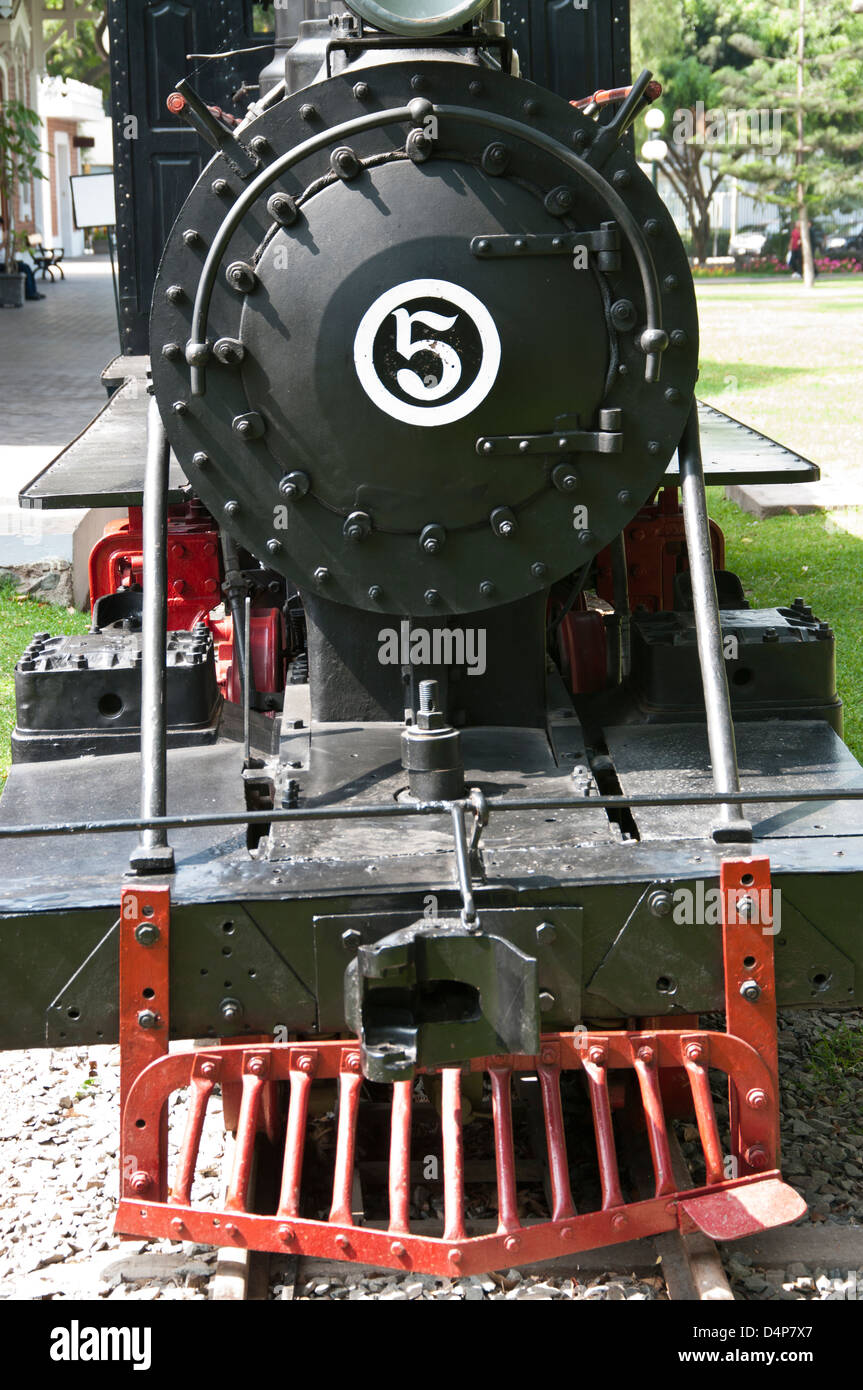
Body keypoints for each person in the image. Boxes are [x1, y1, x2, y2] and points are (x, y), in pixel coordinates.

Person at [0, 216, 45, 300]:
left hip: (8, 261)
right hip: (2, 264)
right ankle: (29, 293)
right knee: (24, 268)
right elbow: (2, 246)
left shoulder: (2, 235)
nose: (2, 228)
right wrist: (4, 243)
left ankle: (33, 291)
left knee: (27, 267)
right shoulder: (2, 237)